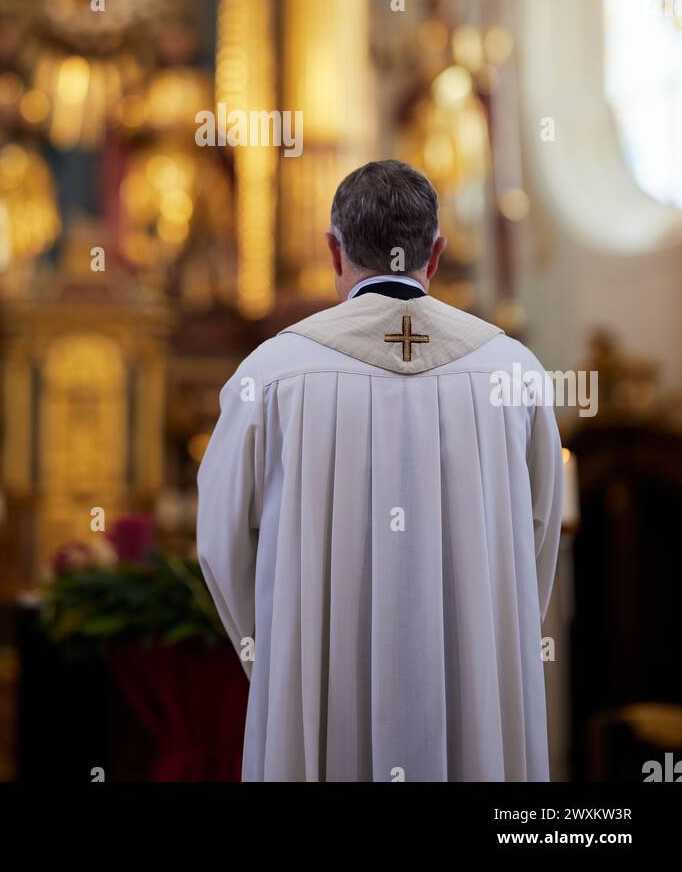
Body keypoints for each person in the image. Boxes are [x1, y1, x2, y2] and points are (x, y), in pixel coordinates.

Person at [196, 159, 563, 782]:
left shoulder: (273, 372)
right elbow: (538, 537)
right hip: (475, 676)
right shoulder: (513, 370)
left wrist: (286, 650)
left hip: (316, 678)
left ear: (333, 253)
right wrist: (488, 632)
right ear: (437, 253)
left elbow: (221, 541)